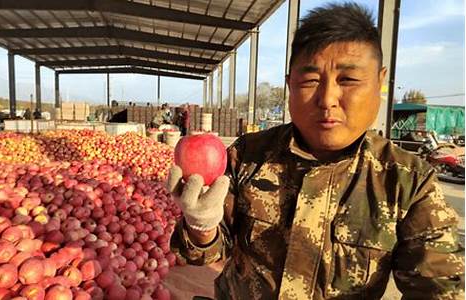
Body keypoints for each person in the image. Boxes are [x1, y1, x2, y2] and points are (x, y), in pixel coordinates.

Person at [167, 3, 464, 300]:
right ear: (290, 86)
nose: (328, 99)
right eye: (310, 81)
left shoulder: (408, 182)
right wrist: (201, 225)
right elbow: (202, 255)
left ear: (379, 82)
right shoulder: (248, 155)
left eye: (348, 80)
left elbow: (440, 289)